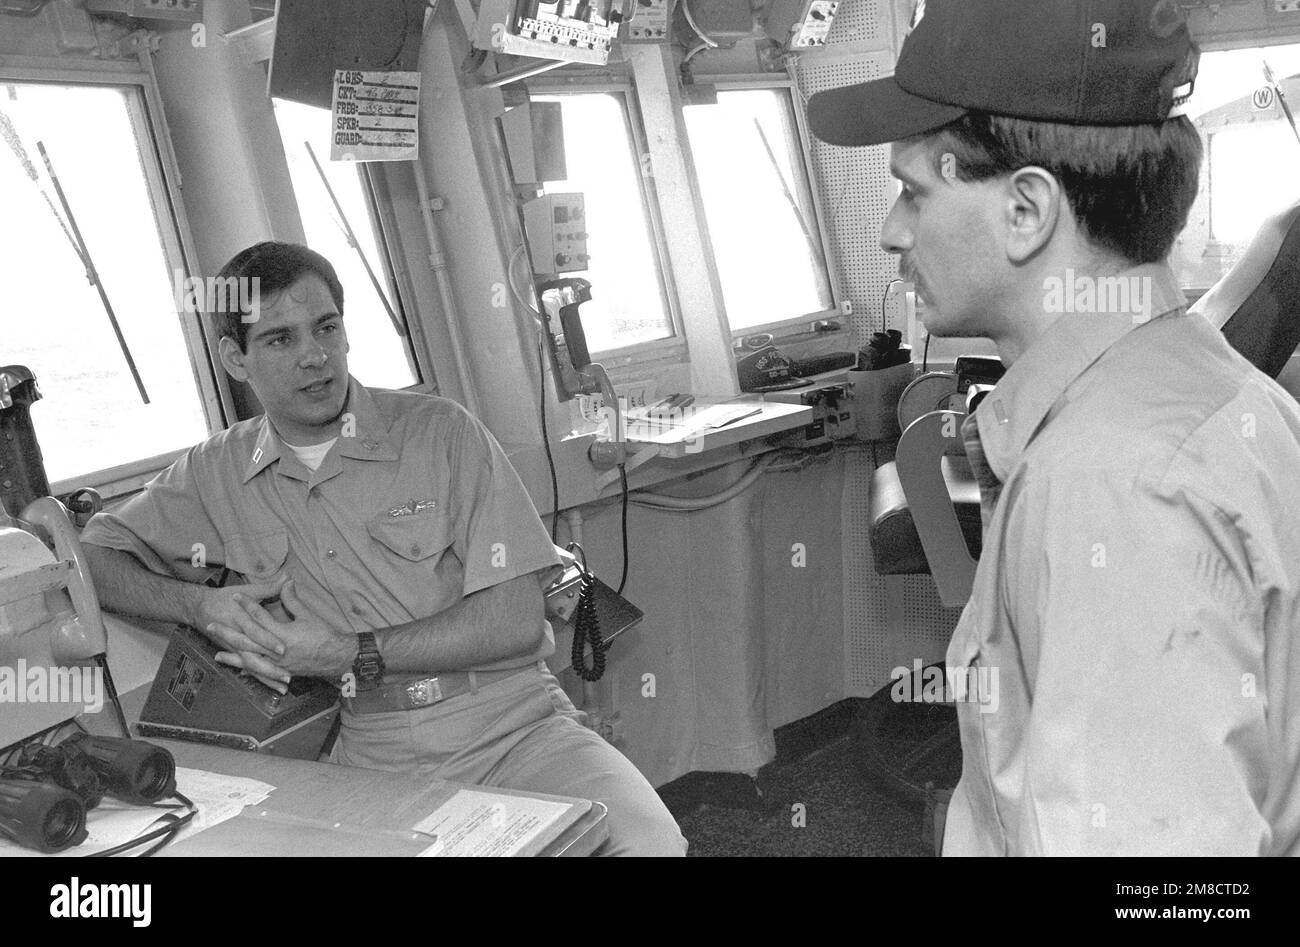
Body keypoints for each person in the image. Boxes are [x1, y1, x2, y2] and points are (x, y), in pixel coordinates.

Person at [809, 0, 1300, 855]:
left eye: (915, 190)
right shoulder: (1216, 396)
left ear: (1027, 211)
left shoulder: (1117, 488)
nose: (891, 229)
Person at [80, 241, 687, 857]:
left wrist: (345, 653)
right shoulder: (216, 471)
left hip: (513, 727)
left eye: (326, 328)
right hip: (368, 749)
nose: (315, 357)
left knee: (648, 845)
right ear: (236, 360)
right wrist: (200, 607)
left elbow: (512, 619)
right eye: (280, 340)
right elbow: (93, 558)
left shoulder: (441, 434)